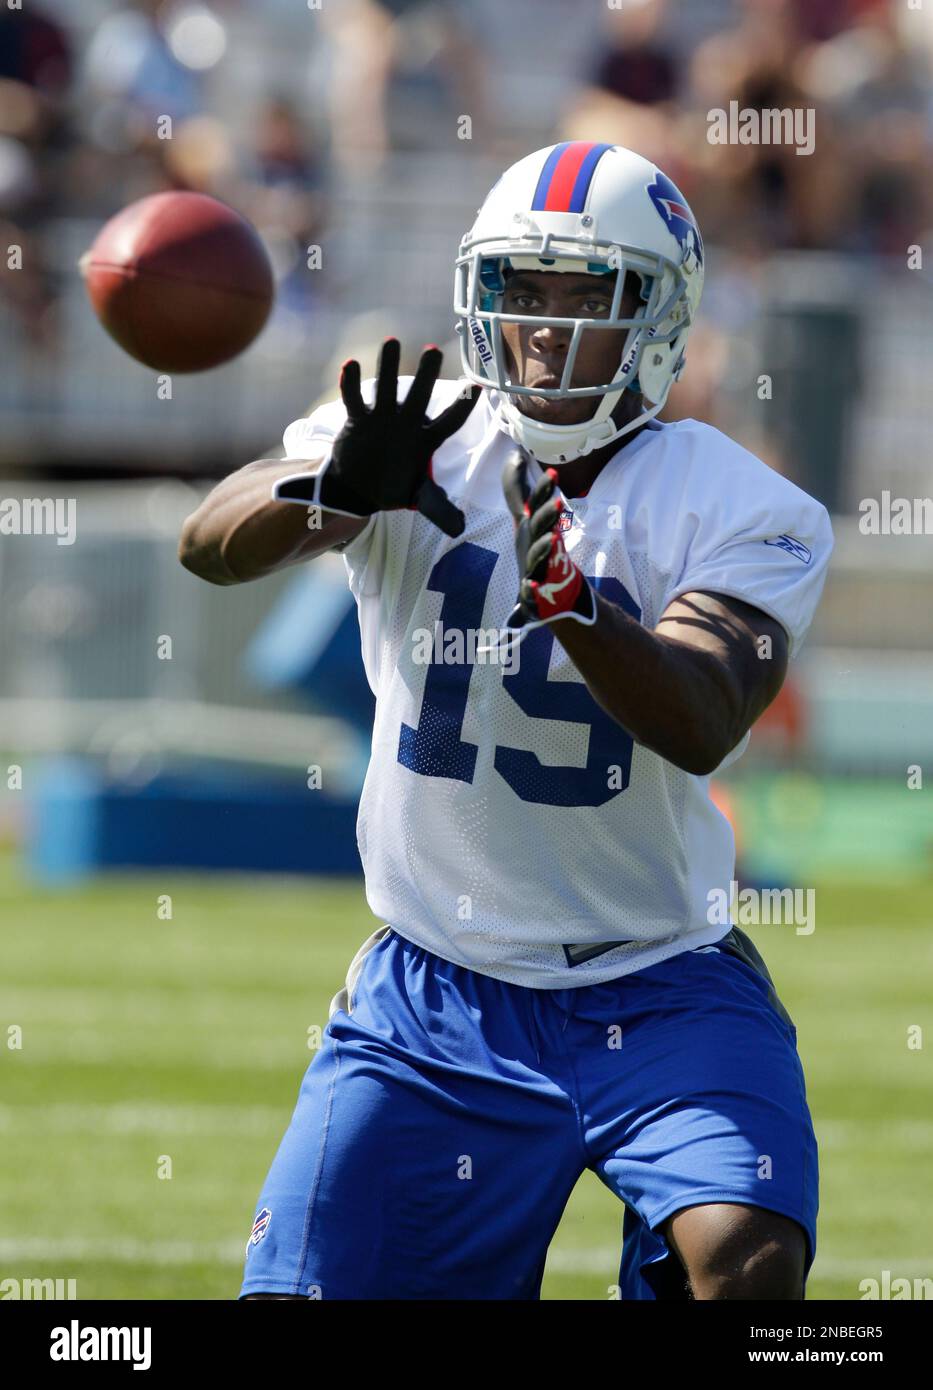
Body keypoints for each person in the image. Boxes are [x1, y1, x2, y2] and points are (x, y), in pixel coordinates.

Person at [180, 141, 832, 1301]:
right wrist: (325, 489)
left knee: (745, 1258)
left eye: (586, 295)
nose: (544, 326)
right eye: (521, 288)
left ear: (657, 318)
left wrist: (575, 606)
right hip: (435, 988)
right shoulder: (418, 436)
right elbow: (208, 543)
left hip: (661, 977)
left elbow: (702, 714)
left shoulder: (742, 502)